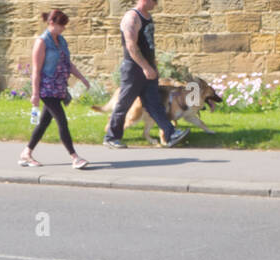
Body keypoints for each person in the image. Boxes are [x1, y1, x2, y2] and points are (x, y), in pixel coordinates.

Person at [103, 0, 187, 149]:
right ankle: (111, 137)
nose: (156, 3)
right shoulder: (132, 17)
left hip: (148, 68)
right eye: (154, 1)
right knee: (124, 103)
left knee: (154, 103)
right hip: (134, 69)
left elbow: (149, 45)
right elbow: (131, 46)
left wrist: (153, 66)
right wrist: (145, 67)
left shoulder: (148, 17)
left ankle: (170, 134)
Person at [20, 9, 93, 170]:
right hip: (46, 88)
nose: (63, 28)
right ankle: (75, 157)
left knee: (44, 122)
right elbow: (36, 70)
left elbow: (68, 63)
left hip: (59, 87)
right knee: (62, 120)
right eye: (61, 25)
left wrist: (82, 77)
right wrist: (35, 93)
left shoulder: (62, 41)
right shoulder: (42, 42)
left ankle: (27, 152)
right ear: (51, 23)